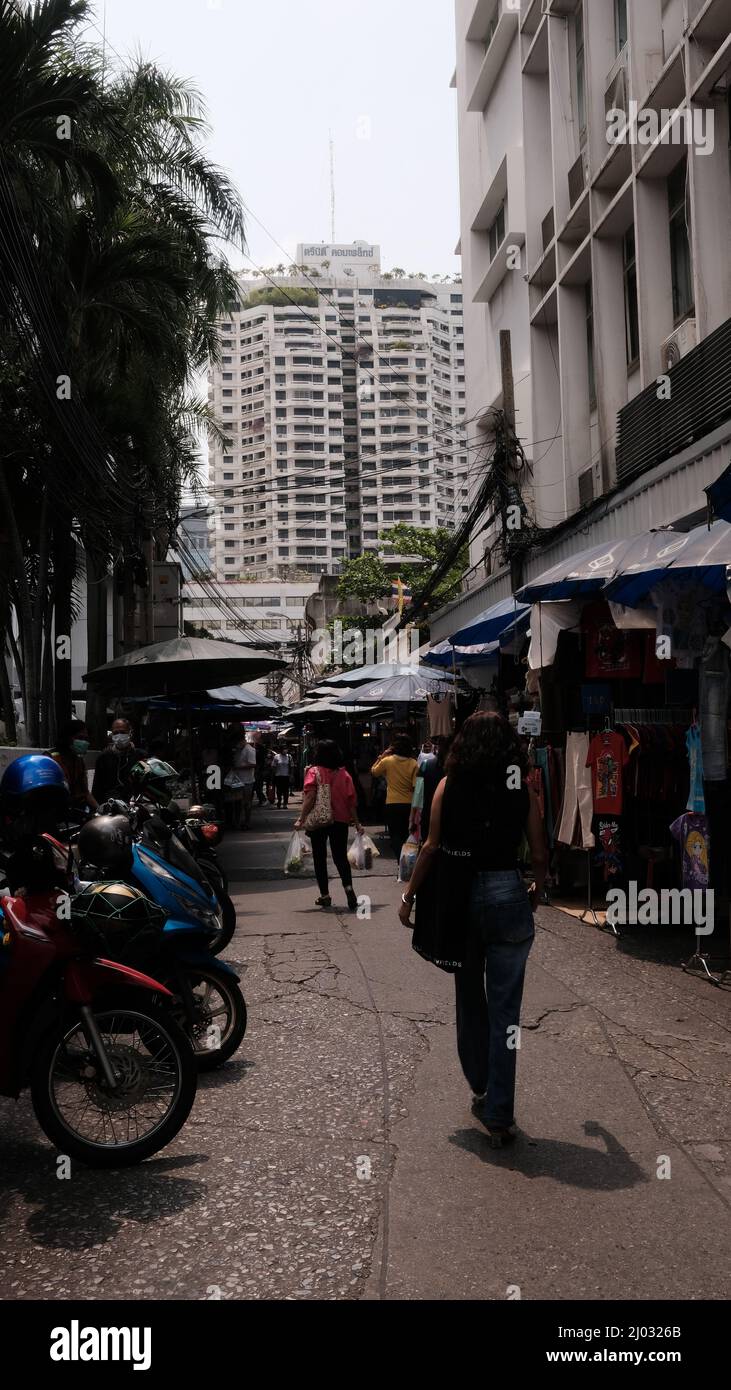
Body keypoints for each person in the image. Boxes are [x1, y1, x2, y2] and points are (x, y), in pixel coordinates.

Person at [398, 712, 546, 1146]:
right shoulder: (524, 789)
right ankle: (500, 1111)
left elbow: (430, 846)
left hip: (461, 901)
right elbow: (539, 854)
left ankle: (480, 1086)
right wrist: (535, 890)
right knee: (507, 1013)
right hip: (508, 895)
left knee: (469, 1000)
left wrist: (409, 897)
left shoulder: (448, 784)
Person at [294, 740, 363, 910]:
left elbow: (309, 798)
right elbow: (351, 801)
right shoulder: (344, 774)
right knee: (340, 857)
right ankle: (349, 890)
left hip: (319, 821)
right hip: (340, 820)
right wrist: (357, 823)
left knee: (320, 857)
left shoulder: (313, 772)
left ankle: (325, 896)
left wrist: (301, 818)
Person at [370, 735, 418, 860]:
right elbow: (415, 788)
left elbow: (374, 771)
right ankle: (407, 863)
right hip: (409, 804)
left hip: (392, 803)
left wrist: (382, 756)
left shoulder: (388, 761)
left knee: (395, 836)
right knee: (407, 834)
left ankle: (400, 863)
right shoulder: (414, 763)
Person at [49, 719, 97, 817]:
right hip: (56, 814)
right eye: (80, 738)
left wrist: (100, 810)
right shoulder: (51, 759)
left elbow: (85, 793)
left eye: (86, 739)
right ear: (67, 738)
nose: (84, 742)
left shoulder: (79, 761)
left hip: (77, 812)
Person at [91, 718, 139, 805]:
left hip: (134, 805)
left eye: (122, 732)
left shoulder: (140, 756)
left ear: (130, 732)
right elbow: (97, 787)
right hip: (110, 805)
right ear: (112, 734)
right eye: (116, 733)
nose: (119, 736)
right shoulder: (103, 757)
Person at [223, 730, 256, 831]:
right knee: (237, 803)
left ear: (242, 740)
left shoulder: (249, 750)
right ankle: (237, 823)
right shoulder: (238, 749)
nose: (235, 744)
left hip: (247, 781)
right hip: (237, 781)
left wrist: (238, 767)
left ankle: (247, 822)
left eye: (236, 742)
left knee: (246, 803)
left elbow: (253, 764)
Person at [271, 744, 293, 808]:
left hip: (286, 776)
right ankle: (279, 801)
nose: (285, 750)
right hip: (278, 776)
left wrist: (291, 775)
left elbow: (292, 766)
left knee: (286, 790)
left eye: (286, 749)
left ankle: (285, 803)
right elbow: (273, 766)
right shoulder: (276, 757)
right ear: (280, 750)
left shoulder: (289, 756)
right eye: (283, 749)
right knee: (279, 790)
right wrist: (273, 776)